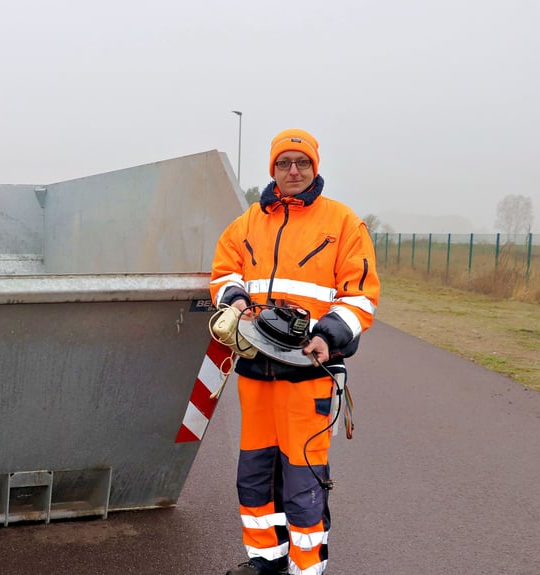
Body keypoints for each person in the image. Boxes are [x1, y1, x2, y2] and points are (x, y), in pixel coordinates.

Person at [209, 129, 380, 575]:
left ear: (314, 167)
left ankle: (307, 567)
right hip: (255, 370)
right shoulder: (248, 222)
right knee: (256, 472)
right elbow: (224, 270)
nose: (293, 170)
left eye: (301, 162)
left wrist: (329, 334)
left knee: (303, 476)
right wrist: (236, 300)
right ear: (273, 169)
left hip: (310, 371)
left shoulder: (343, 223)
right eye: (284, 162)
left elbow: (360, 296)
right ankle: (265, 560)